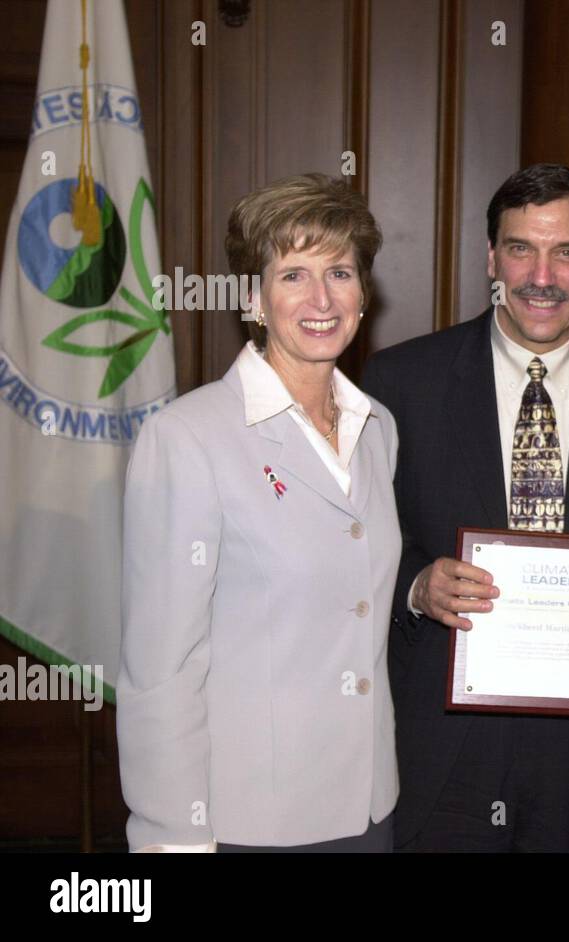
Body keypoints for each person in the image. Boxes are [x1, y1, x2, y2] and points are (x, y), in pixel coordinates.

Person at [361, 163, 569, 852]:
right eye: (521, 249)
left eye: (567, 251)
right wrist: (418, 585)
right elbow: (358, 542)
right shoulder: (400, 382)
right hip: (441, 745)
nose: (541, 275)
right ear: (491, 257)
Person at [117, 174, 400, 851]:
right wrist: (171, 837)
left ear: (364, 293)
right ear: (254, 297)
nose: (322, 298)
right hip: (249, 824)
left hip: (368, 809)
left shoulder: (378, 428)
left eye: (340, 271)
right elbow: (162, 669)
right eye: (293, 274)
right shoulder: (187, 438)